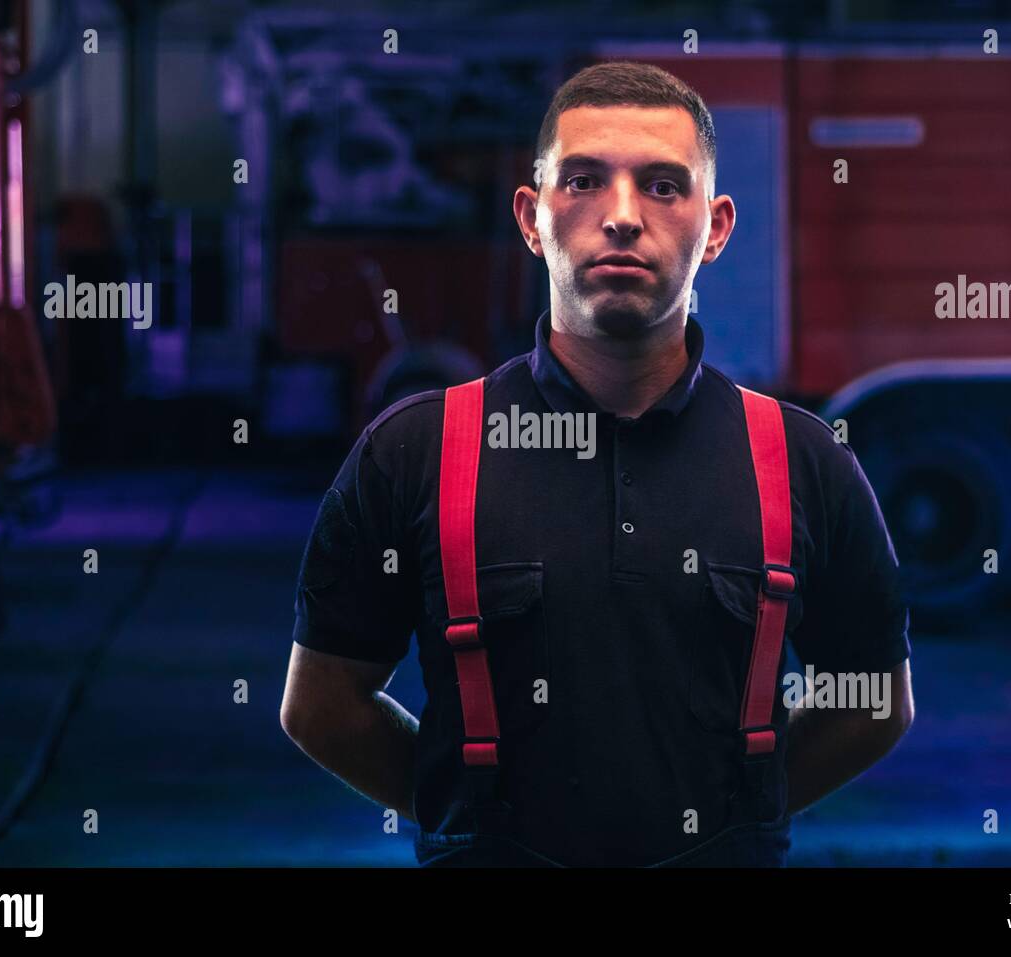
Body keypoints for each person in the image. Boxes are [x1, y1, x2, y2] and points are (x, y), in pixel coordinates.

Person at [280, 60, 914, 867]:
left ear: (715, 227)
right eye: (582, 181)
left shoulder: (804, 461)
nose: (621, 217)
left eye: (662, 185)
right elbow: (323, 706)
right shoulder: (412, 453)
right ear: (531, 219)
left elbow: (875, 705)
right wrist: (467, 814)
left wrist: (736, 812)